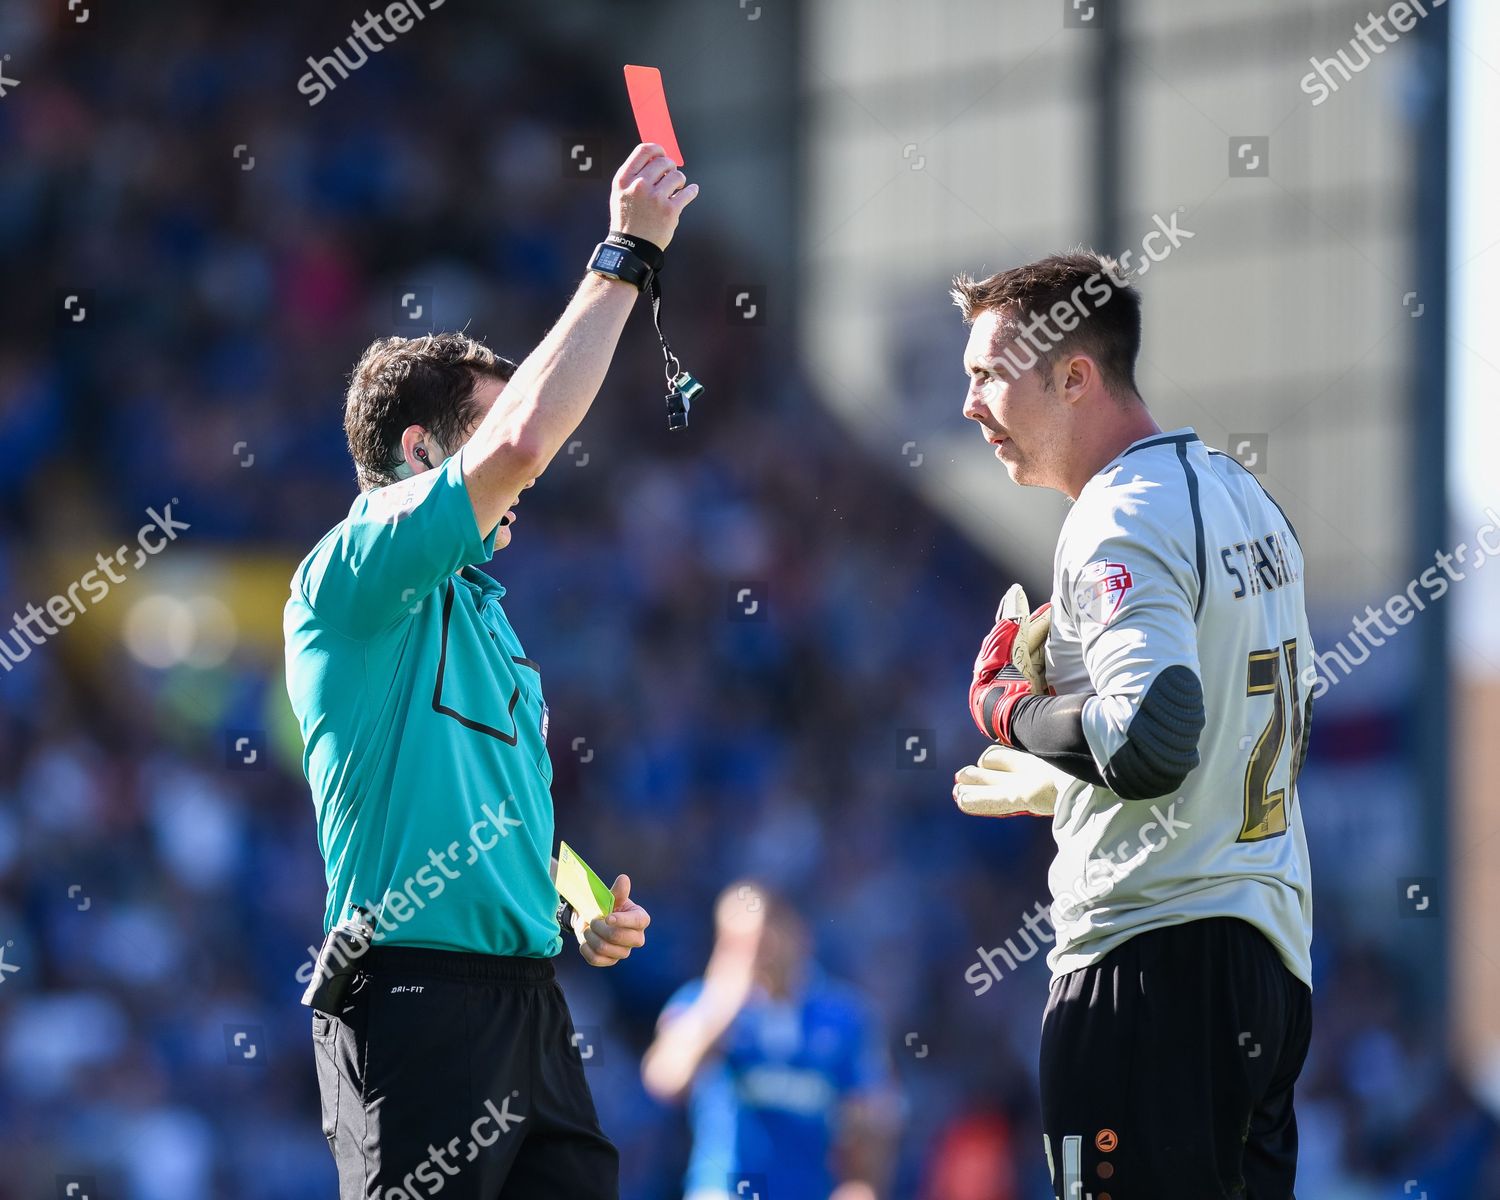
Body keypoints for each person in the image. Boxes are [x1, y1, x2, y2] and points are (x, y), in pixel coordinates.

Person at [283, 142, 698, 1200]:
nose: (527, 477)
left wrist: (573, 895)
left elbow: (483, 803)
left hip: (530, 1005)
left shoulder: (488, 615)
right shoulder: (355, 570)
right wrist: (626, 256)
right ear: (422, 453)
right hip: (412, 993)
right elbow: (520, 441)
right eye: (478, 443)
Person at [949, 253, 1314, 1199]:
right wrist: (1066, 776)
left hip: (1148, 964)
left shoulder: (1116, 517)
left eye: (987, 375)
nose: (970, 404)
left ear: (1074, 375)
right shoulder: (1249, 501)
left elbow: (1151, 740)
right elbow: (1243, 720)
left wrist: (1005, 706)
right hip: (1267, 964)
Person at [641, 883, 898, 1200]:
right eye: (737, 944)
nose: (757, 956)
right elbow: (664, 1079)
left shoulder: (844, 1017)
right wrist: (722, 1004)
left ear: (798, 933)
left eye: (763, 939)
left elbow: (870, 1118)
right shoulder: (700, 1005)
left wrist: (862, 1184)